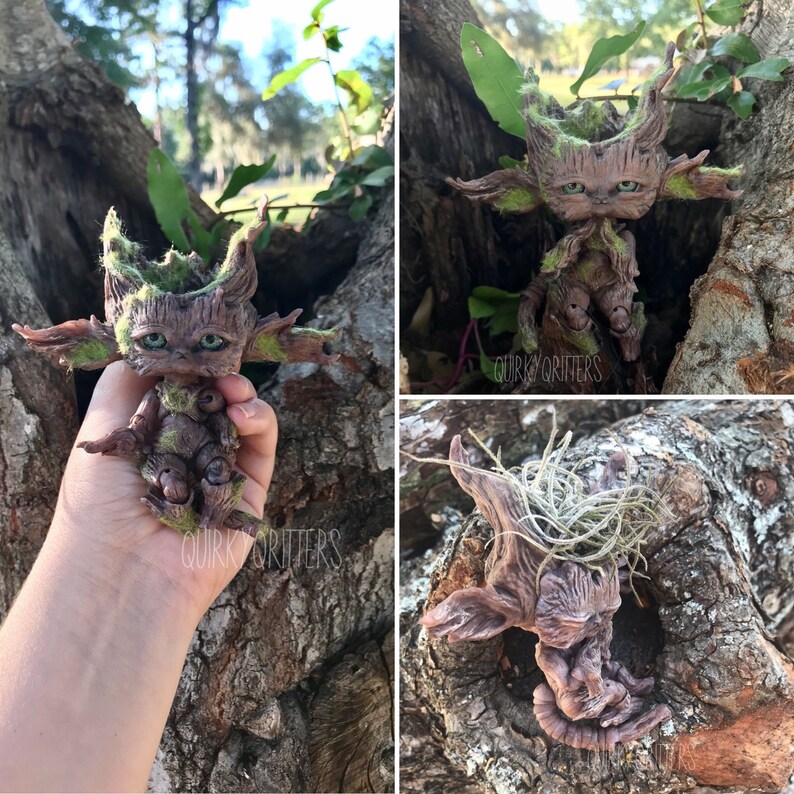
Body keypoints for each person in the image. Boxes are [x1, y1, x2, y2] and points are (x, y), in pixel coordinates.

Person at [0, 362, 276, 792]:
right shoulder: (155, 392)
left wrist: (219, 433)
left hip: (205, 455)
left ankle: (208, 495)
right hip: (163, 459)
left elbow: (221, 424)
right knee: (172, 481)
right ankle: (183, 496)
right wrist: (127, 438)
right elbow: (141, 424)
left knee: (214, 471)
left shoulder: (209, 394)